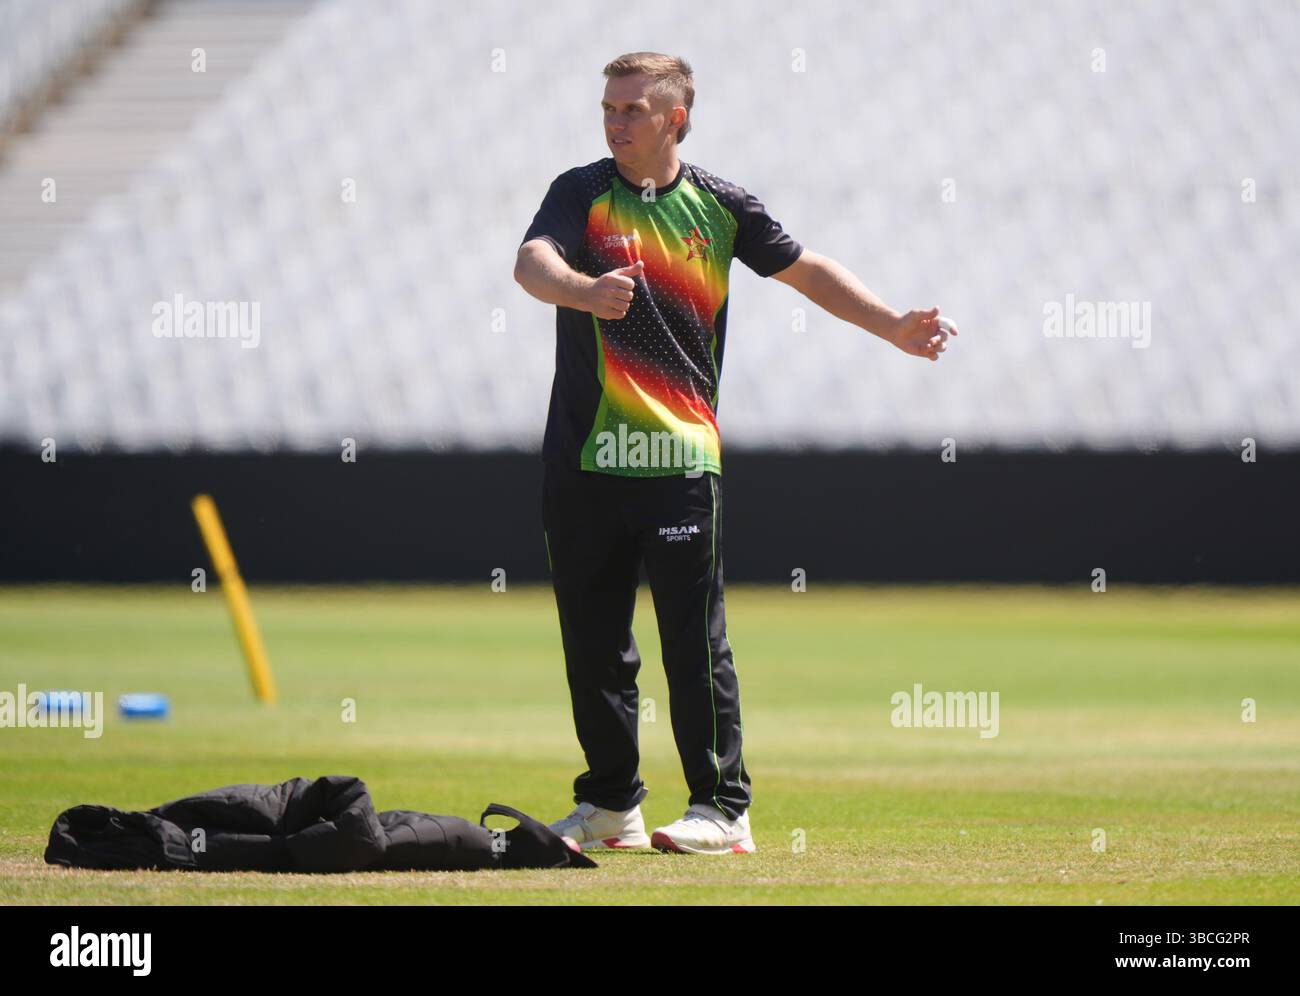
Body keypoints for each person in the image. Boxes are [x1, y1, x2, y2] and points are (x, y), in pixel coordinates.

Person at [513, 52, 957, 855]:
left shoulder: (719, 204)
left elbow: (806, 270)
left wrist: (893, 325)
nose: (614, 123)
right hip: (582, 461)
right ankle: (611, 804)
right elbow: (530, 262)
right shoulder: (579, 191)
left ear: (676, 119)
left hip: (679, 462)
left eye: (633, 110)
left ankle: (723, 808)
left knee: (693, 640)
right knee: (593, 646)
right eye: (608, 108)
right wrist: (582, 290)